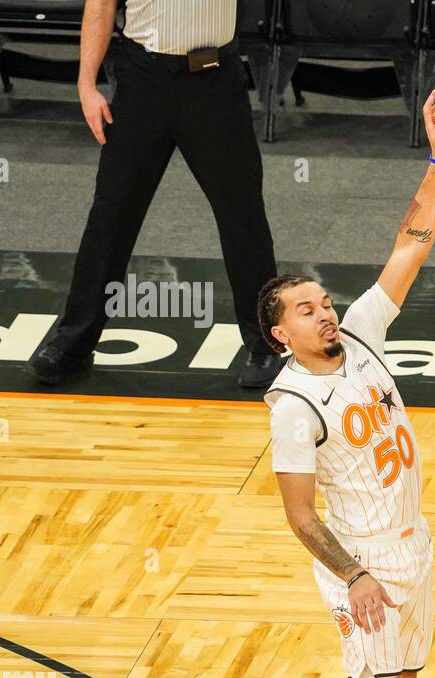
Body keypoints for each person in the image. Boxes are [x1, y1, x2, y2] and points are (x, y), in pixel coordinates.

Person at [263, 92, 435, 678]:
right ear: (280, 333)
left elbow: (412, 242)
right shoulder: (290, 402)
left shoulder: (365, 331)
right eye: (306, 311)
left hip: (413, 546)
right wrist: (355, 574)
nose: (325, 314)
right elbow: (301, 517)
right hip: (361, 564)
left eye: (325, 303)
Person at [29, 0, 281, 389]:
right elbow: (101, 5)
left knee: (241, 215)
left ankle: (265, 344)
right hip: (141, 79)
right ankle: (73, 344)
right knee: (111, 213)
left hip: (212, 78)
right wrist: (85, 83)